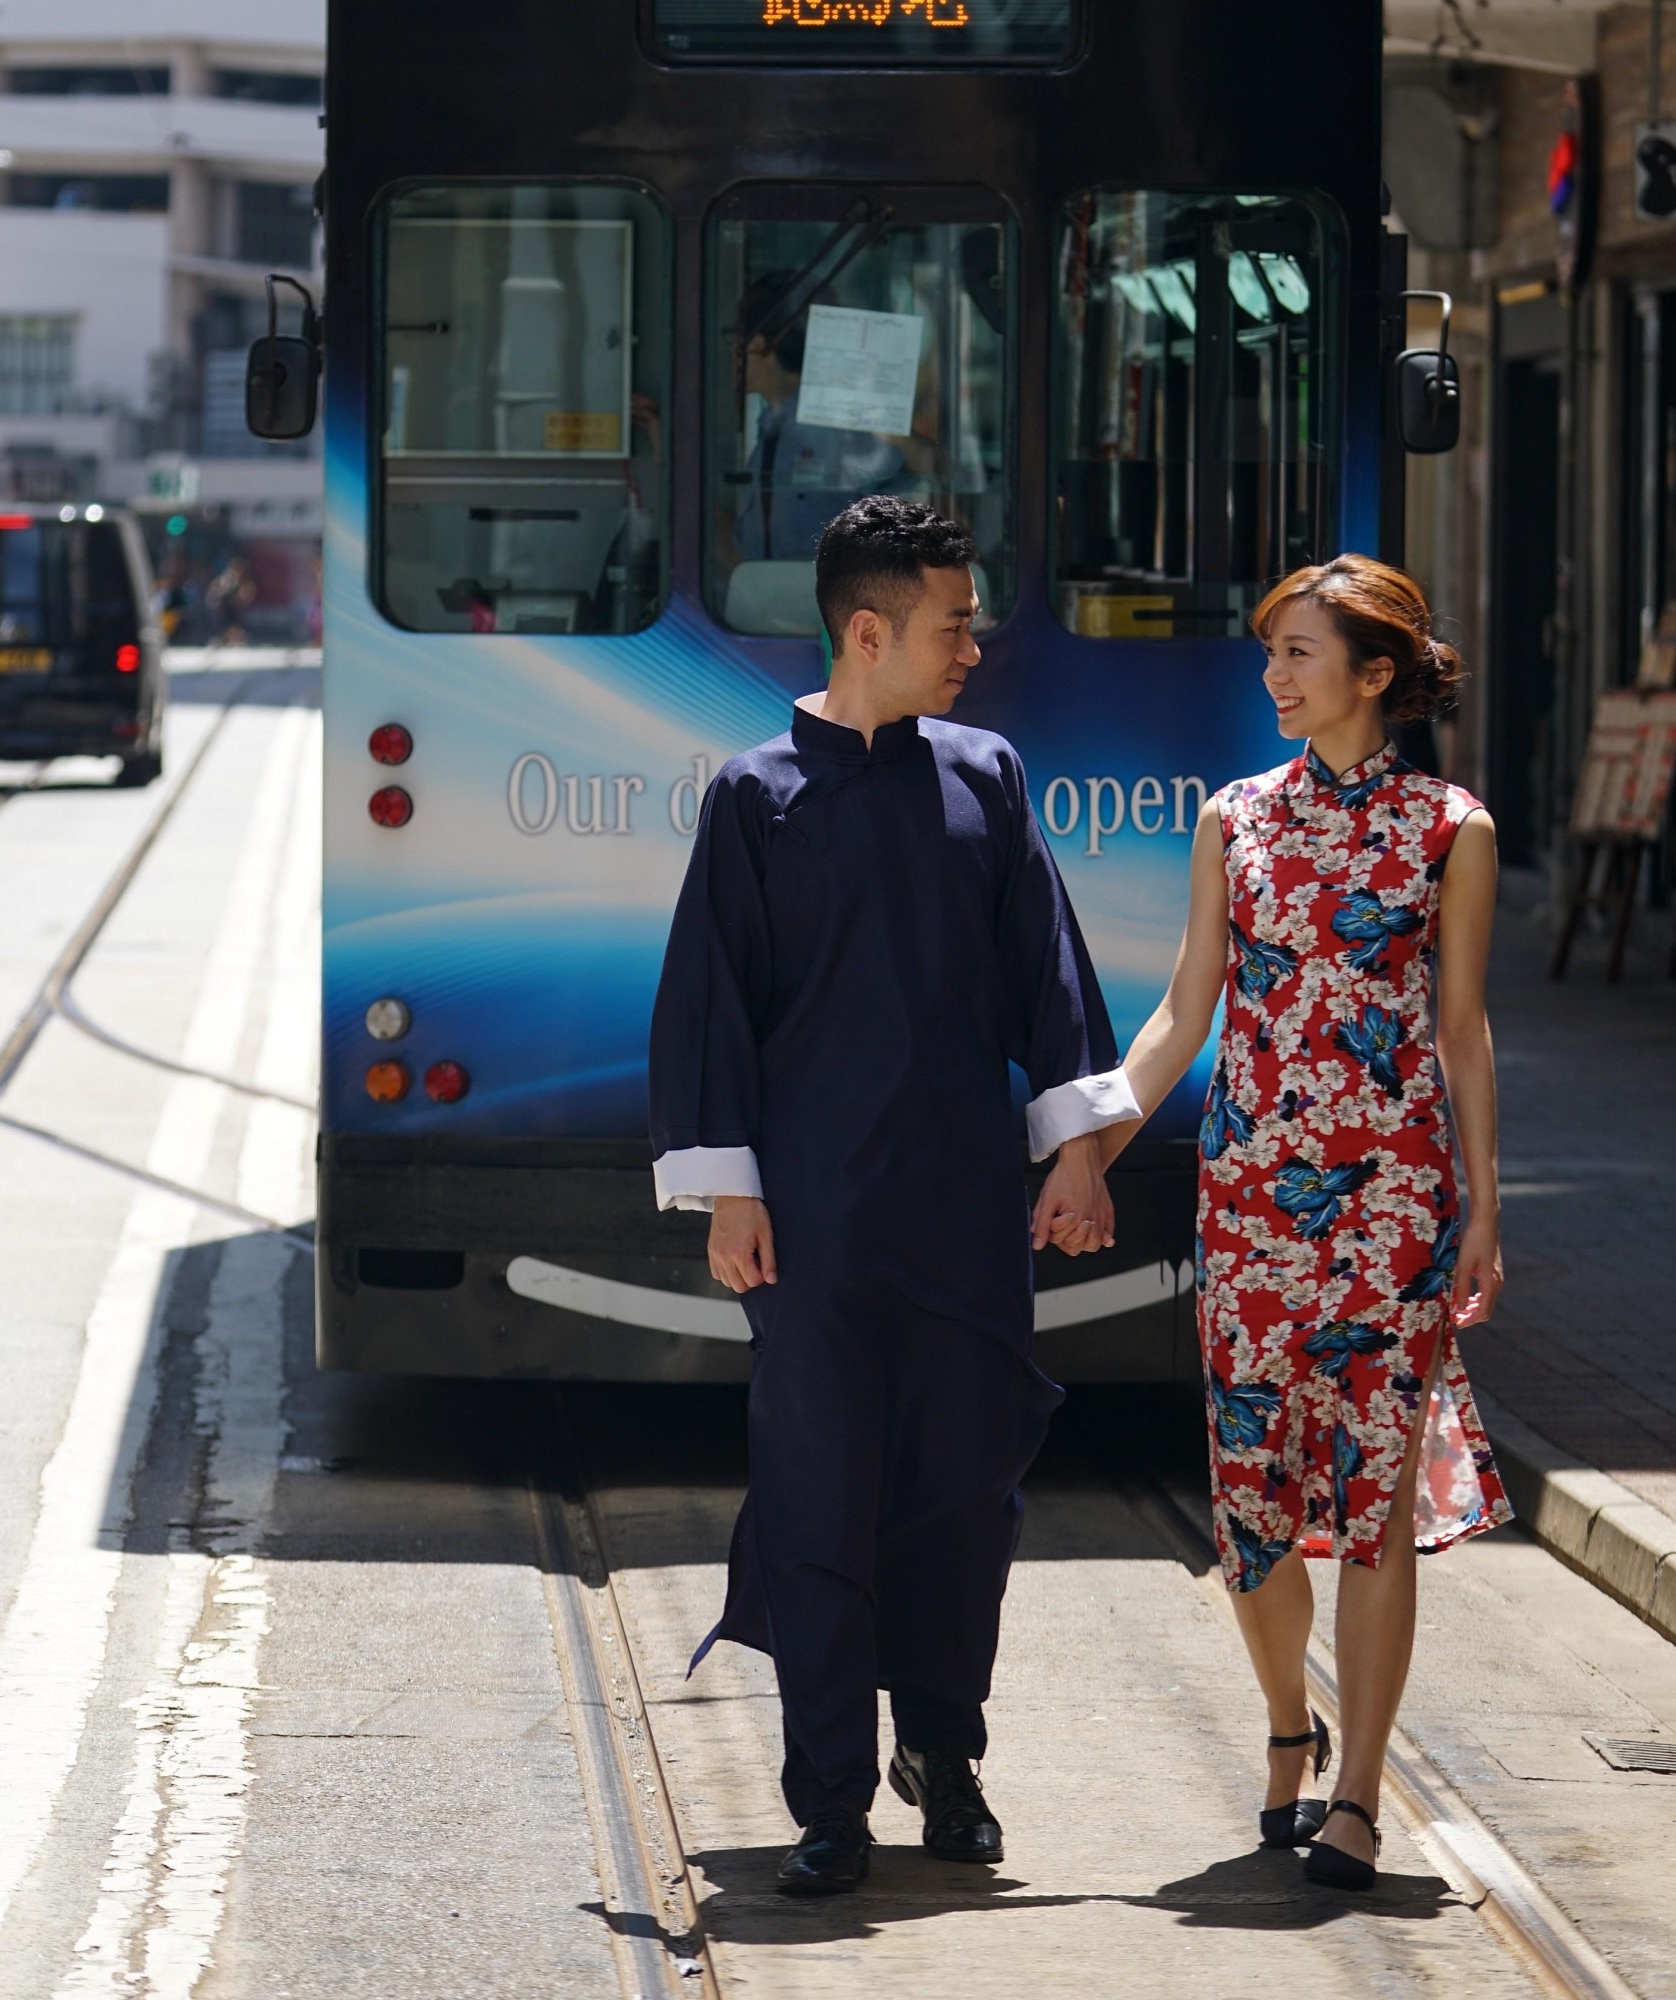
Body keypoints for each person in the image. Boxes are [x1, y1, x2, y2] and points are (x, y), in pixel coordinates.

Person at [648, 496, 1138, 1897]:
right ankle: (829, 1800)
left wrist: (1080, 1151)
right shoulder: (756, 797)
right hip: (810, 1219)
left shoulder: (984, 776)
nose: (972, 645)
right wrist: (731, 1195)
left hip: (963, 1209)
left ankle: (947, 1754)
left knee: (961, 1500)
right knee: (817, 1497)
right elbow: (709, 1010)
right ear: (870, 632)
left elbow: (1047, 974)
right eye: (952, 623)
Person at [1089, 554, 1512, 1893]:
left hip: (1397, 1211)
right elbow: (1183, 1012)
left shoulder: (1455, 828)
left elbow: (1461, 1030)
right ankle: (1288, 1723)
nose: (1271, 675)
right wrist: (1087, 1141)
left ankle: (1362, 1795)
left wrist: (1485, 1206)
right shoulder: (1236, 817)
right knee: (1254, 1506)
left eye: (1297, 654)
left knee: (1375, 1507)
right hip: (1254, 1202)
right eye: (1271, 653)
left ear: (1372, 674)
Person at [731, 270, 905, 563]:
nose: (732, 352)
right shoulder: (772, 426)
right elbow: (746, 550)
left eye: (736, 338)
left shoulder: (839, 427)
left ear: (758, 344)